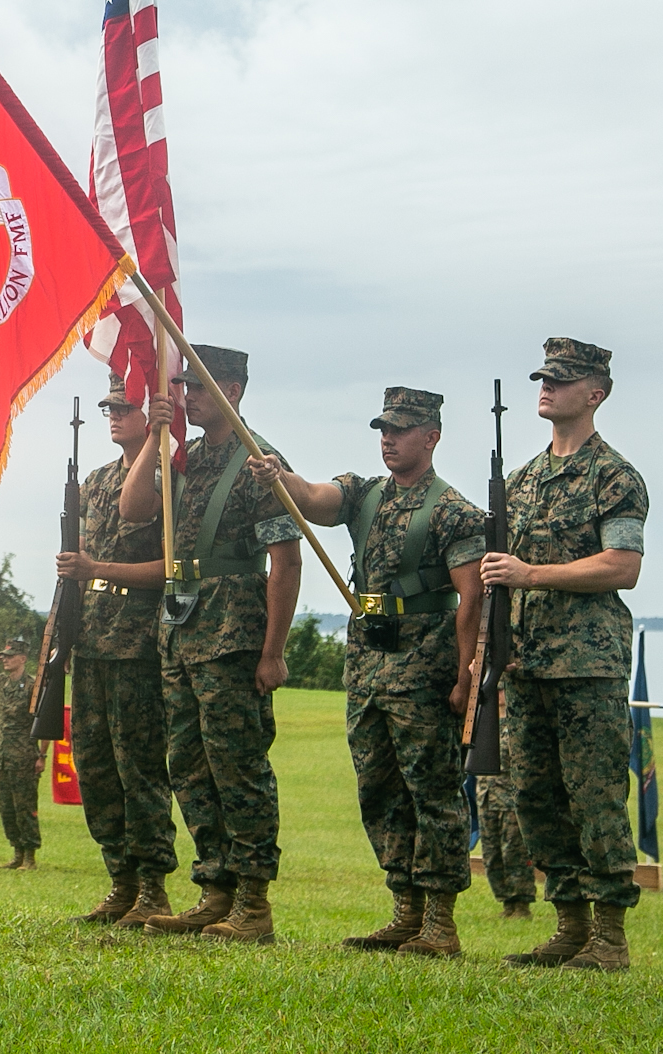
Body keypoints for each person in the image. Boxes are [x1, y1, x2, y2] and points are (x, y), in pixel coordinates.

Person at [248, 387, 485, 956]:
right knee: (377, 791)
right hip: (367, 668)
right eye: (383, 428)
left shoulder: (455, 513)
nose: (389, 439)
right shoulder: (364, 494)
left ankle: (440, 923)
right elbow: (314, 499)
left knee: (432, 791)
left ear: (431, 436)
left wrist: (465, 677)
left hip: (424, 669)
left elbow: (472, 599)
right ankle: (405, 909)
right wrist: (282, 476)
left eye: (401, 430)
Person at [120, 345, 303, 945]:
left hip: (234, 632)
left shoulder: (259, 462)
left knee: (238, 767)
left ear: (233, 388)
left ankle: (253, 901)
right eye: (180, 386)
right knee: (190, 767)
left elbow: (285, 560)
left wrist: (274, 651)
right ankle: (215, 890)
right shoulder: (185, 457)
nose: (186, 396)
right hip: (181, 631)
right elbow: (134, 509)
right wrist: (155, 433)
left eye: (195, 387)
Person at [483, 338, 647, 972]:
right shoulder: (522, 480)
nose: (545, 388)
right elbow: (497, 576)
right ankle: (570, 926)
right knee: (536, 799)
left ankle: (609, 936)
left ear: (595, 393)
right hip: (525, 664)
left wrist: (531, 573)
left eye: (560, 379)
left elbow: (622, 566)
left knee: (594, 797)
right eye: (542, 378)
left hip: (587, 664)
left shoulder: (615, 475)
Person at [55, 373, 178, 927]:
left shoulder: (167, 481)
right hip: (91, 643)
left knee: (140, 769)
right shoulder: (98, 481)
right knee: (97, 766)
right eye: (109, 406)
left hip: (137, 646)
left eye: (124, 406)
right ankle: (120, 881)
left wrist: (95, 569)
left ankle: (153, 887)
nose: (112, 414)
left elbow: (172, 570)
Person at [0, 635, 44, 870]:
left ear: (22, 659)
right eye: (4, 656)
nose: (5, 660)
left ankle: (30, 857)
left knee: (25, 806)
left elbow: (43, 723)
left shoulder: (34, 686)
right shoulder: (1, 682)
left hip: (24, 756)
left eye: (10, 656)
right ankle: (17, 854)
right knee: (7, 807)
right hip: (3, 756)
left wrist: (41, 756)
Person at [475, 703, 535, 920]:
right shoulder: (482, 722)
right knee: (491, 854)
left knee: (514, 853)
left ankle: (522, 904)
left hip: (510, 800)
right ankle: (506, 902)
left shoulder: (517, 722)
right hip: (486, 798)